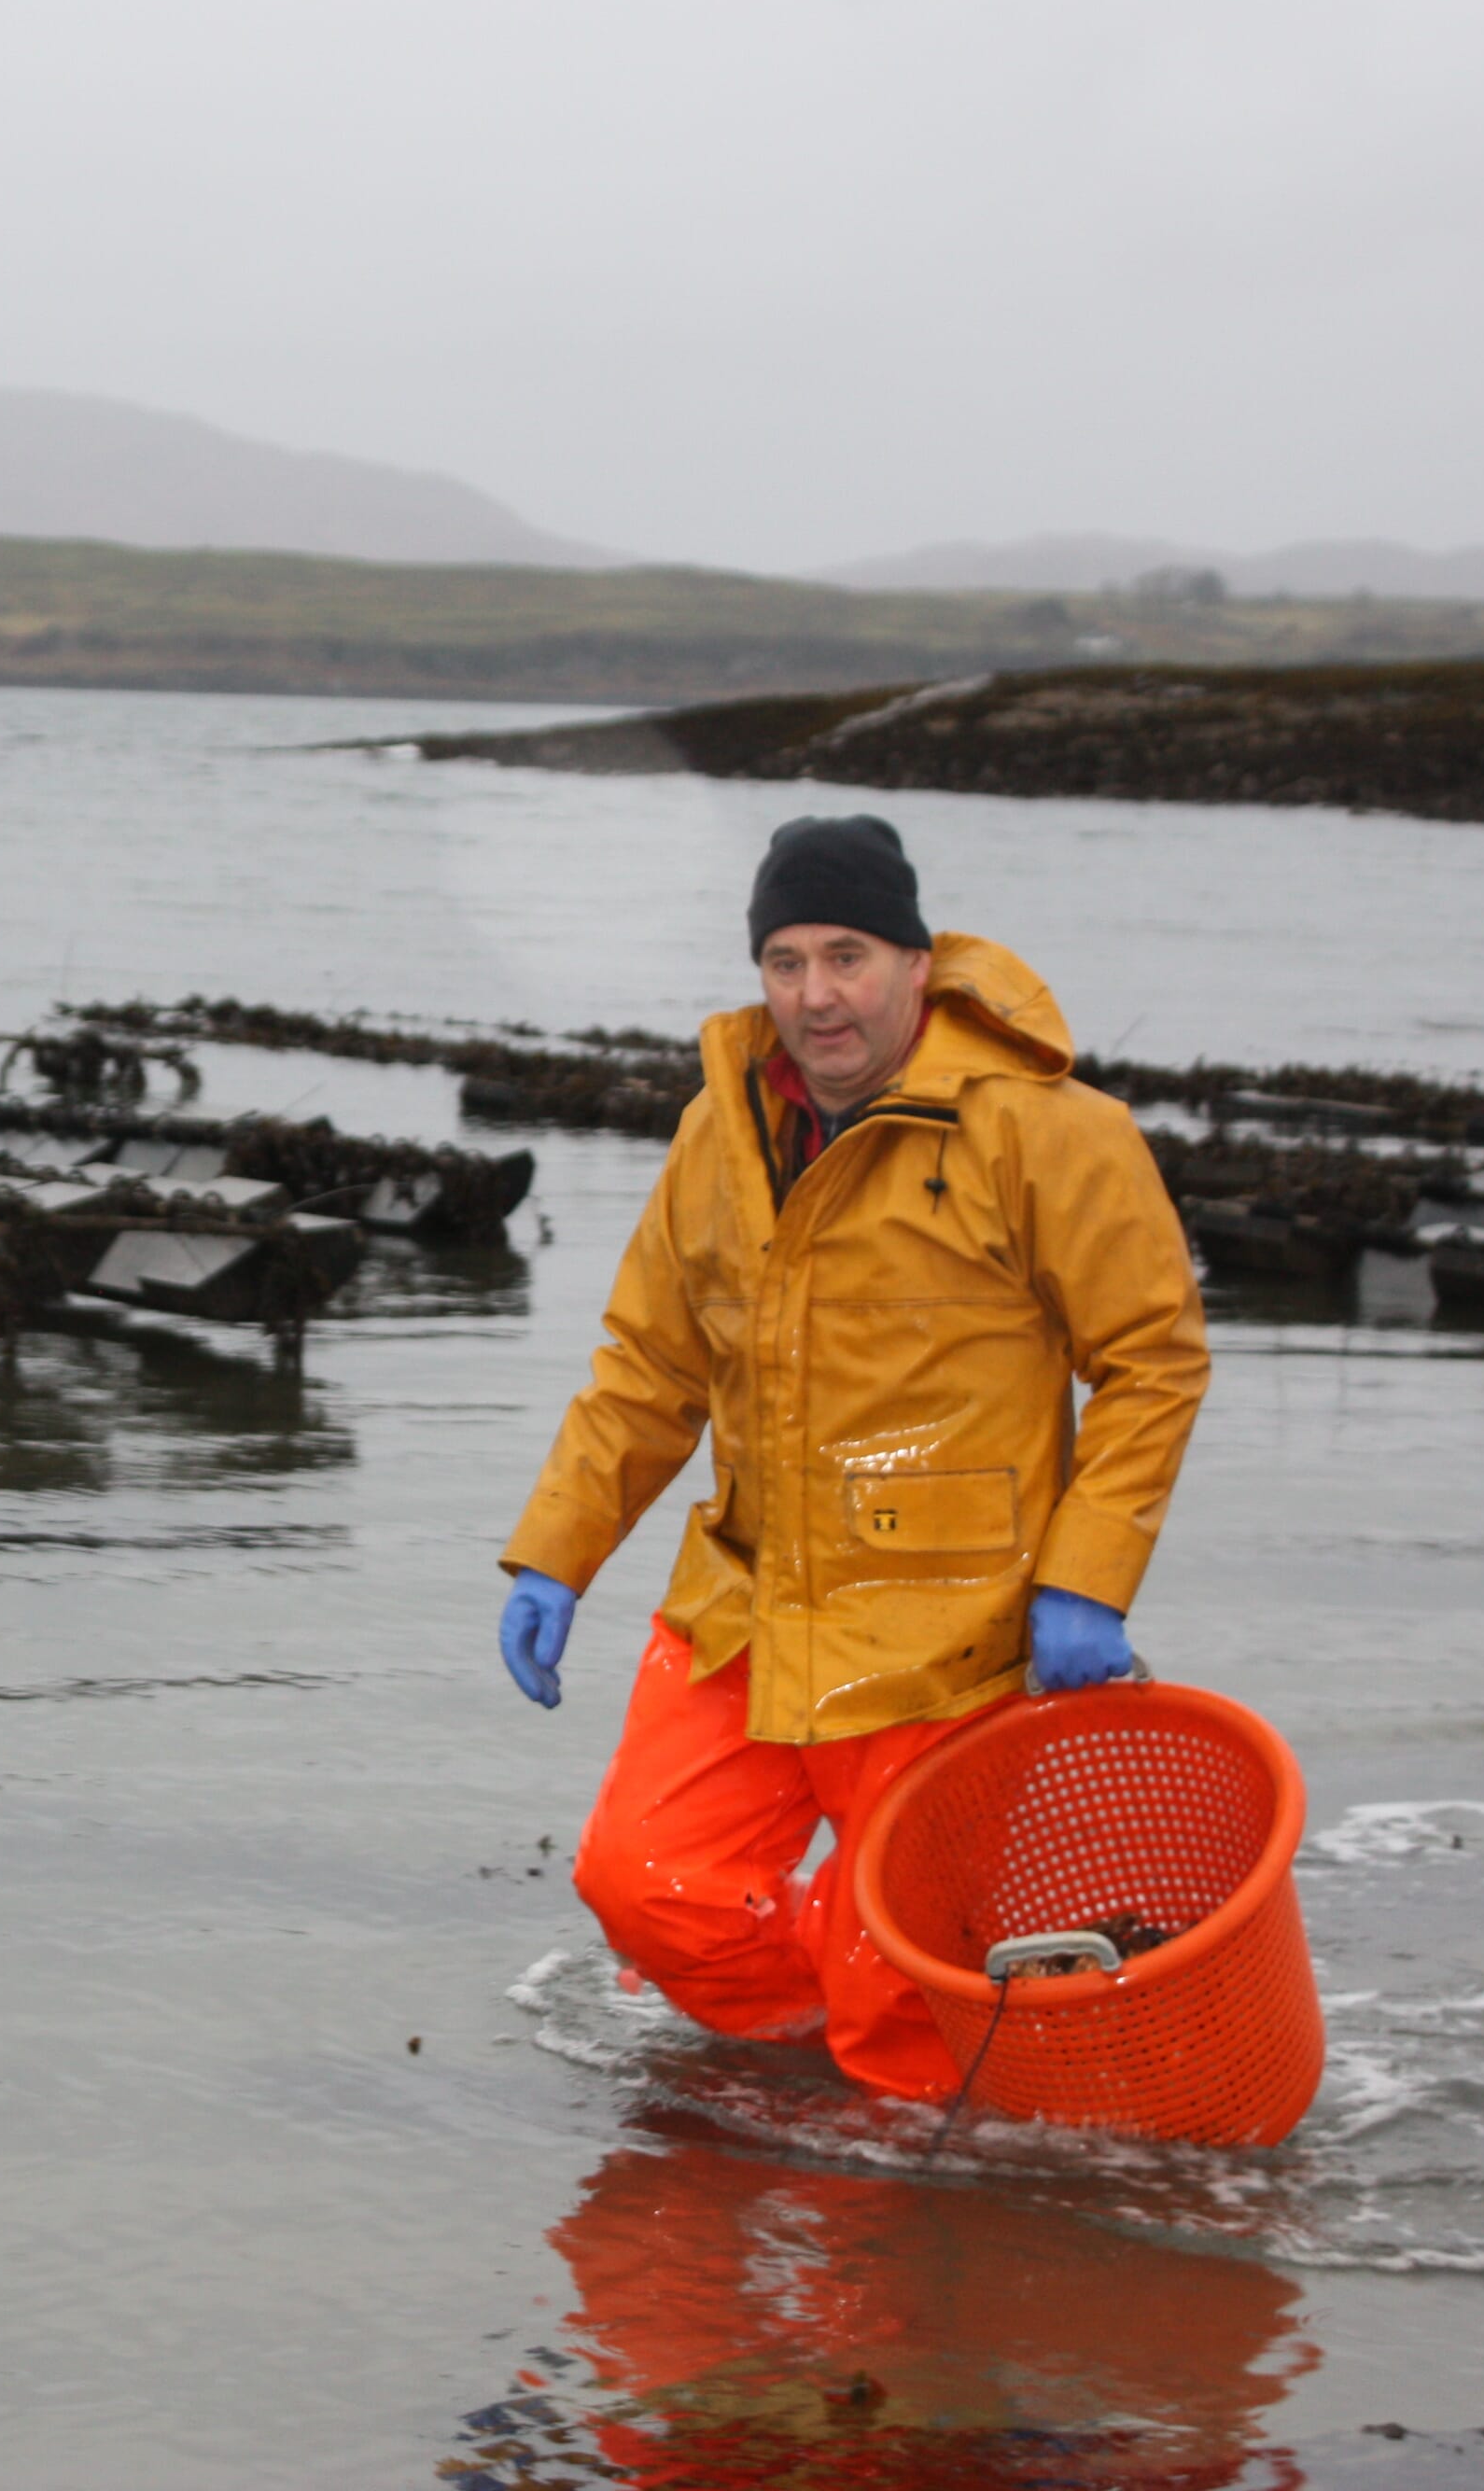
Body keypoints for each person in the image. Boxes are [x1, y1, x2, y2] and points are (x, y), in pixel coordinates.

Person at [493, 815, 1208, 2098]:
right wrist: (558, 1556)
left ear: (917, 964)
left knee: (900, 2002)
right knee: (647, 1887)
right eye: (784, 960)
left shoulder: (1049, 1128)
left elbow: (1154, 1359)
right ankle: (854, 2085)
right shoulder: (719, 1134)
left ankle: (901, 2198)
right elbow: (649, 1371)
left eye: (847, 955)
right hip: (748, 1605)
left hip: (951, 1640)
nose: (815, 995)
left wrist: (1090, 1579)